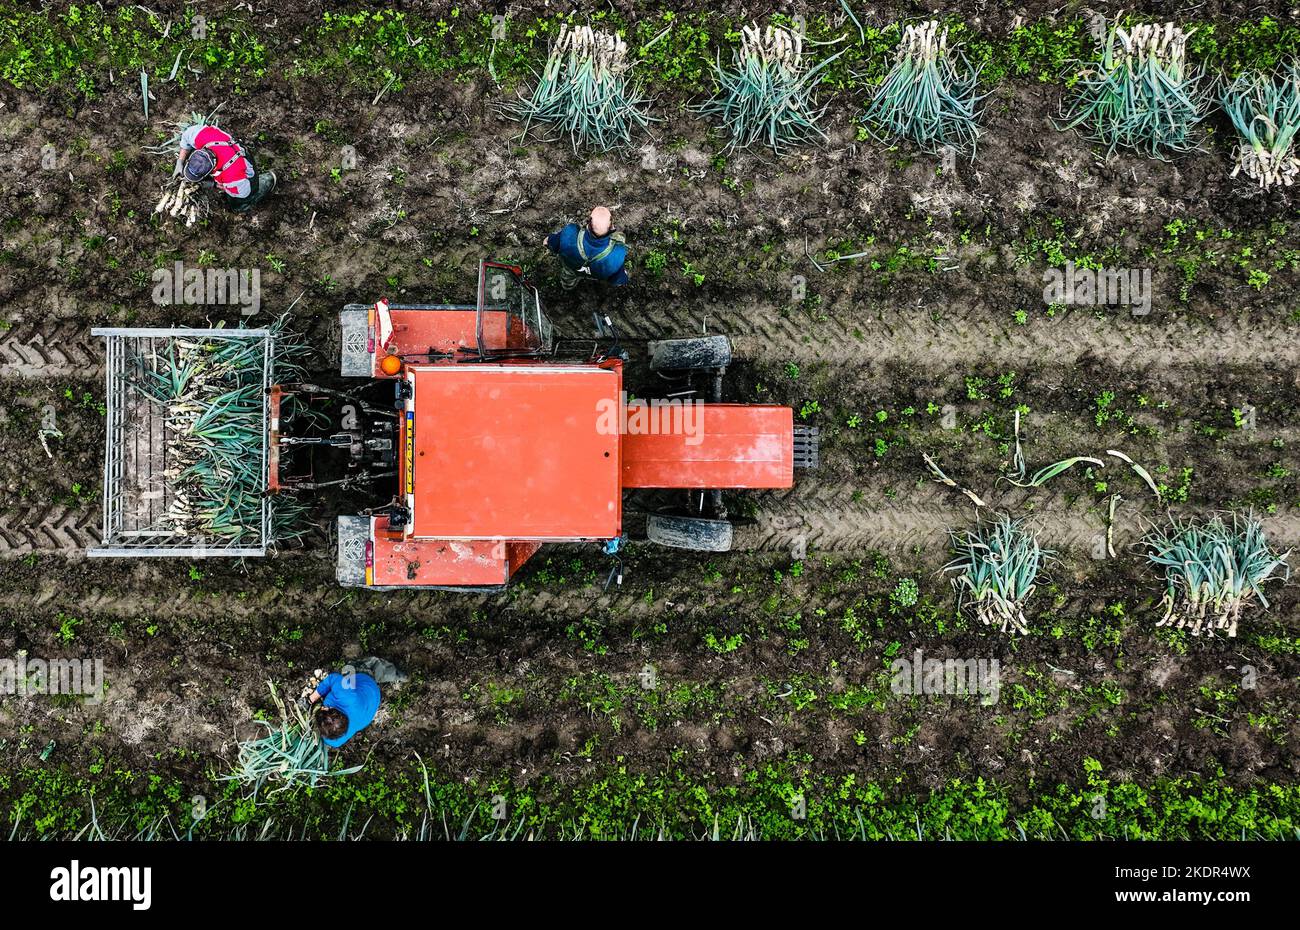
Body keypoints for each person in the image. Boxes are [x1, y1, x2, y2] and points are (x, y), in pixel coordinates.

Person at [175, 122, 276, 213]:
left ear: (210, 172)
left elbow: (240, 192)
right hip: (230, 150)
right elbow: (186, 136)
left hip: (243, 168)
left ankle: (257, 190)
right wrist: (180, 161)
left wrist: (214, 184)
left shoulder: (233, 178)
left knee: (240, 201)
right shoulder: (202, 136)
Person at [307, 658, 401, 748]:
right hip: (369, 690)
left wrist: (314, 698)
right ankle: (379, 670)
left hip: (367, 701)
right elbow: (333, 678)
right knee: (348, 668)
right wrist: (315, 696)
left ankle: (374, 669)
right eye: (325, 708)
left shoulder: (333, 741)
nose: (323, 707)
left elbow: (334, 678)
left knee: (348, 670)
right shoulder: (346, 696)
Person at [542, 205, 629, 289]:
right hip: (596, 275)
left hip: (572, 269)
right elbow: (618, 281)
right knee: (620, 238)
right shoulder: (618, 254)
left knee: (568, 278)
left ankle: (568, 286)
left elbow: (548, 242)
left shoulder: (569, 235)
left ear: (588, 224)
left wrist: (548, 241)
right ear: (612, 228)